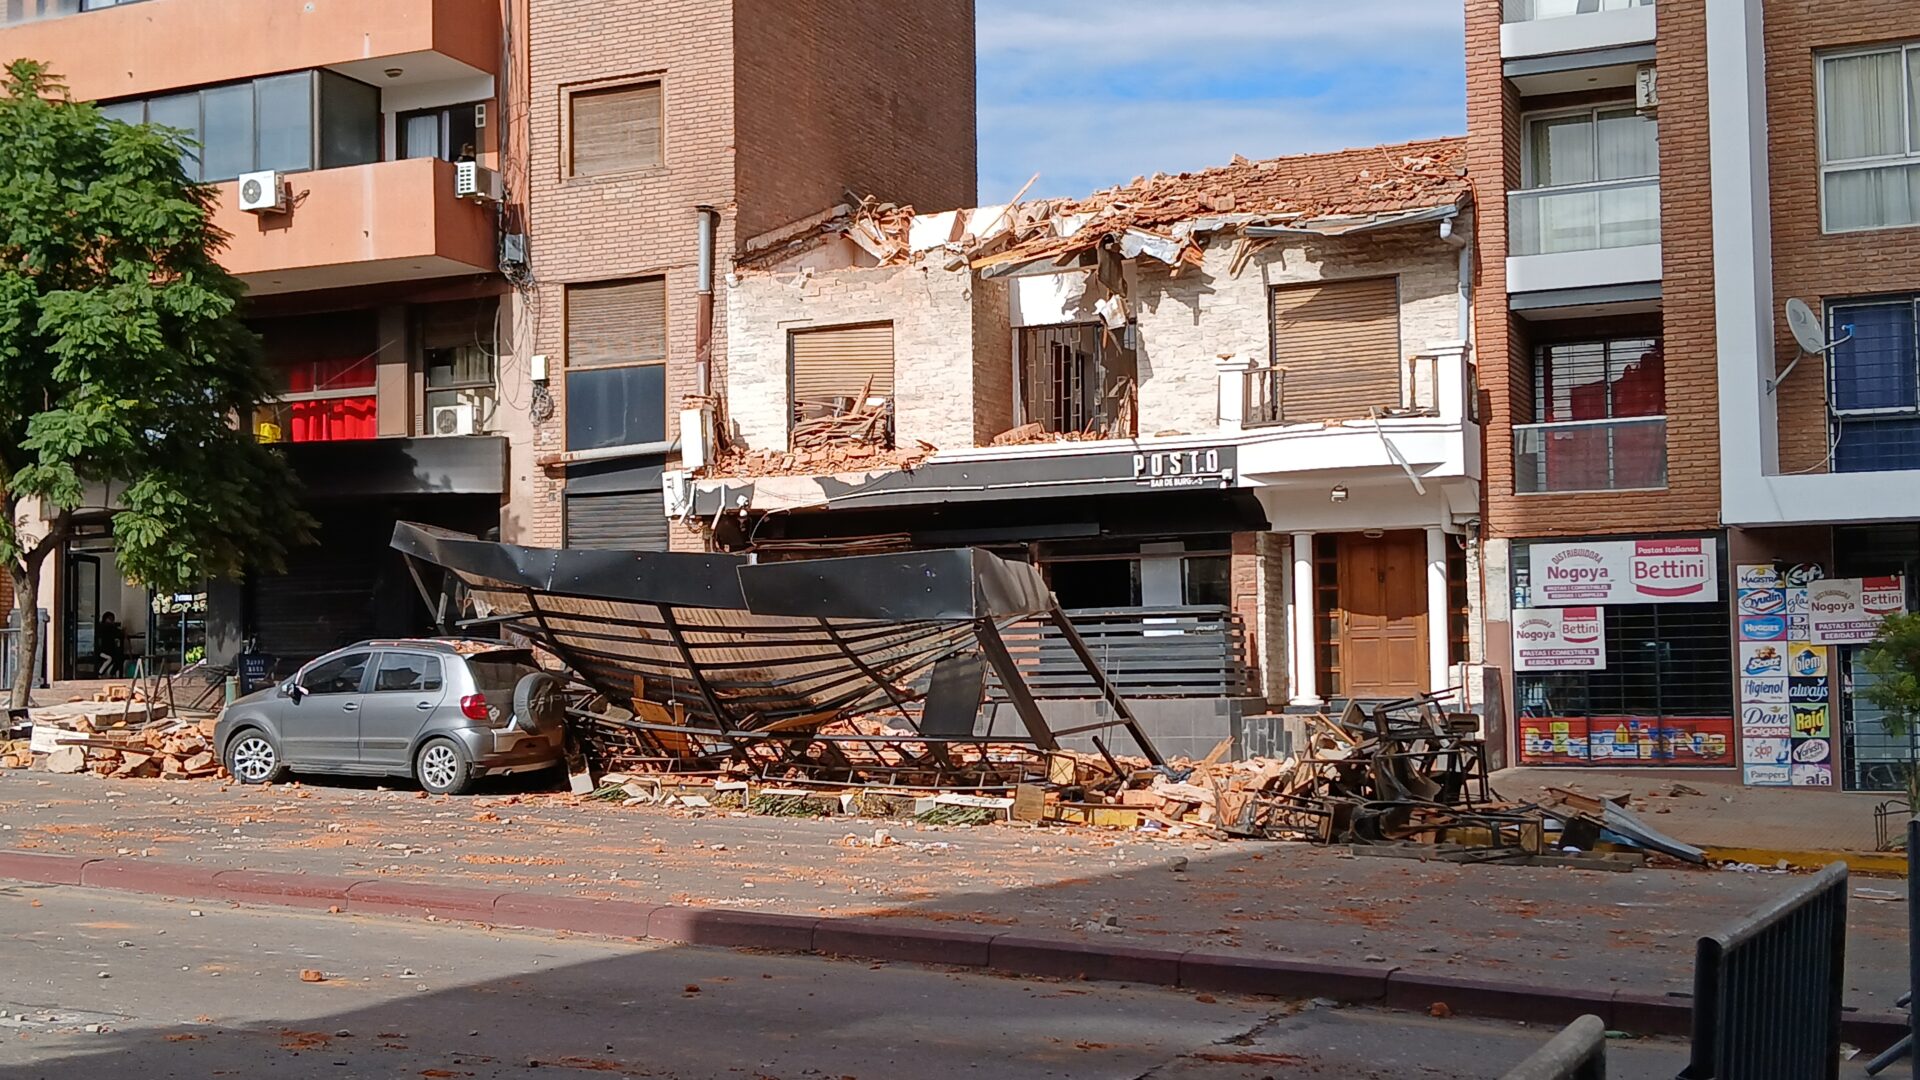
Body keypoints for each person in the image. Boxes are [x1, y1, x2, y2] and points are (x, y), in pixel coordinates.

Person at [95, 612, 126, 679]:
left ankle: (108, 673)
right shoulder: (107, 627)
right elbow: (119, 633)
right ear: (105, 619)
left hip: (106, 651)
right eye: (109, 619)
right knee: (113, 658)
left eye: (112, 619)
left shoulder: (102, 627)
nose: (111, 620)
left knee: (117, 658)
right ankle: (103, 673)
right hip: (103, 651)